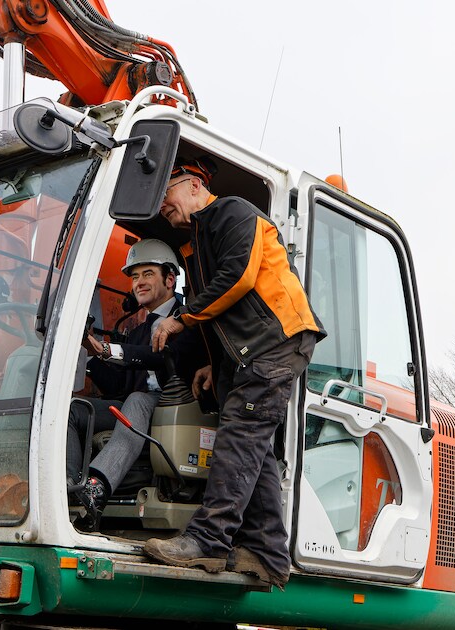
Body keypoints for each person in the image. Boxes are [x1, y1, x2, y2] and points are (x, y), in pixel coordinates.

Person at [145, 157, 325, 588]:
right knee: (254, 447)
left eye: (166, 194)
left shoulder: (232, 211)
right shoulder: (198, 242)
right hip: (252, 348)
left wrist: (180, 318)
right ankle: (265, 553)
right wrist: (213, 362)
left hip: (278, 338)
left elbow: (239, 278)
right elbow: (222, 312)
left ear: (191, 186)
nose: (162, 207)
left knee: (239, 435)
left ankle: (209, 541)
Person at [68, 239, 203, 532]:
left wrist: (107, 350)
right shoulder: (138, 329)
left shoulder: (188, 317)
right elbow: (119, 383)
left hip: (177, 405)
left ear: (170, 278)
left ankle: (97, 487)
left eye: (147, 274)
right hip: (135, 406)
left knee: (139, 400)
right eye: (134, 276)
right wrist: (91, 357)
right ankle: (70, 489)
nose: (138, 282)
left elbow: (159, 357)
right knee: (74, 409)